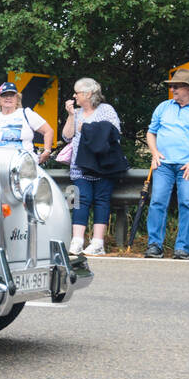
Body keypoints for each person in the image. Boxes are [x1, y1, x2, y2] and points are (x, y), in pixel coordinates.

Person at [144, 69, 189, 259]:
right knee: (157, 201)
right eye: (172, 86)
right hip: (164, 164)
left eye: (177, 86)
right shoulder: (163, 107)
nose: (173, 89)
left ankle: (183, 248)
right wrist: (154, 152)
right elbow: (151, 132)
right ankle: (154, 245)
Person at [60, 78, 121, 255]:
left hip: (103, 164)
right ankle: (77, 241)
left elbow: (115, 132)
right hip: (80, 166)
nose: (74, 96)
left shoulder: (106, 110)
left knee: (102, 200)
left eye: (76, 92)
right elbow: (67, 136)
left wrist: (88, 127)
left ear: (87, 94)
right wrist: (71, 115)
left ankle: (97, 242)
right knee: (80, 200)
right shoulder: (77, 112)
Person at [0, 82, 54, 163]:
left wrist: (47, 151)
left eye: (12, 95)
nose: (8, 98)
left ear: (17, 98)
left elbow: (48, 131)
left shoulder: (26, 113)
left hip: (25, 165)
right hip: (0, 164)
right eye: (4, 95)